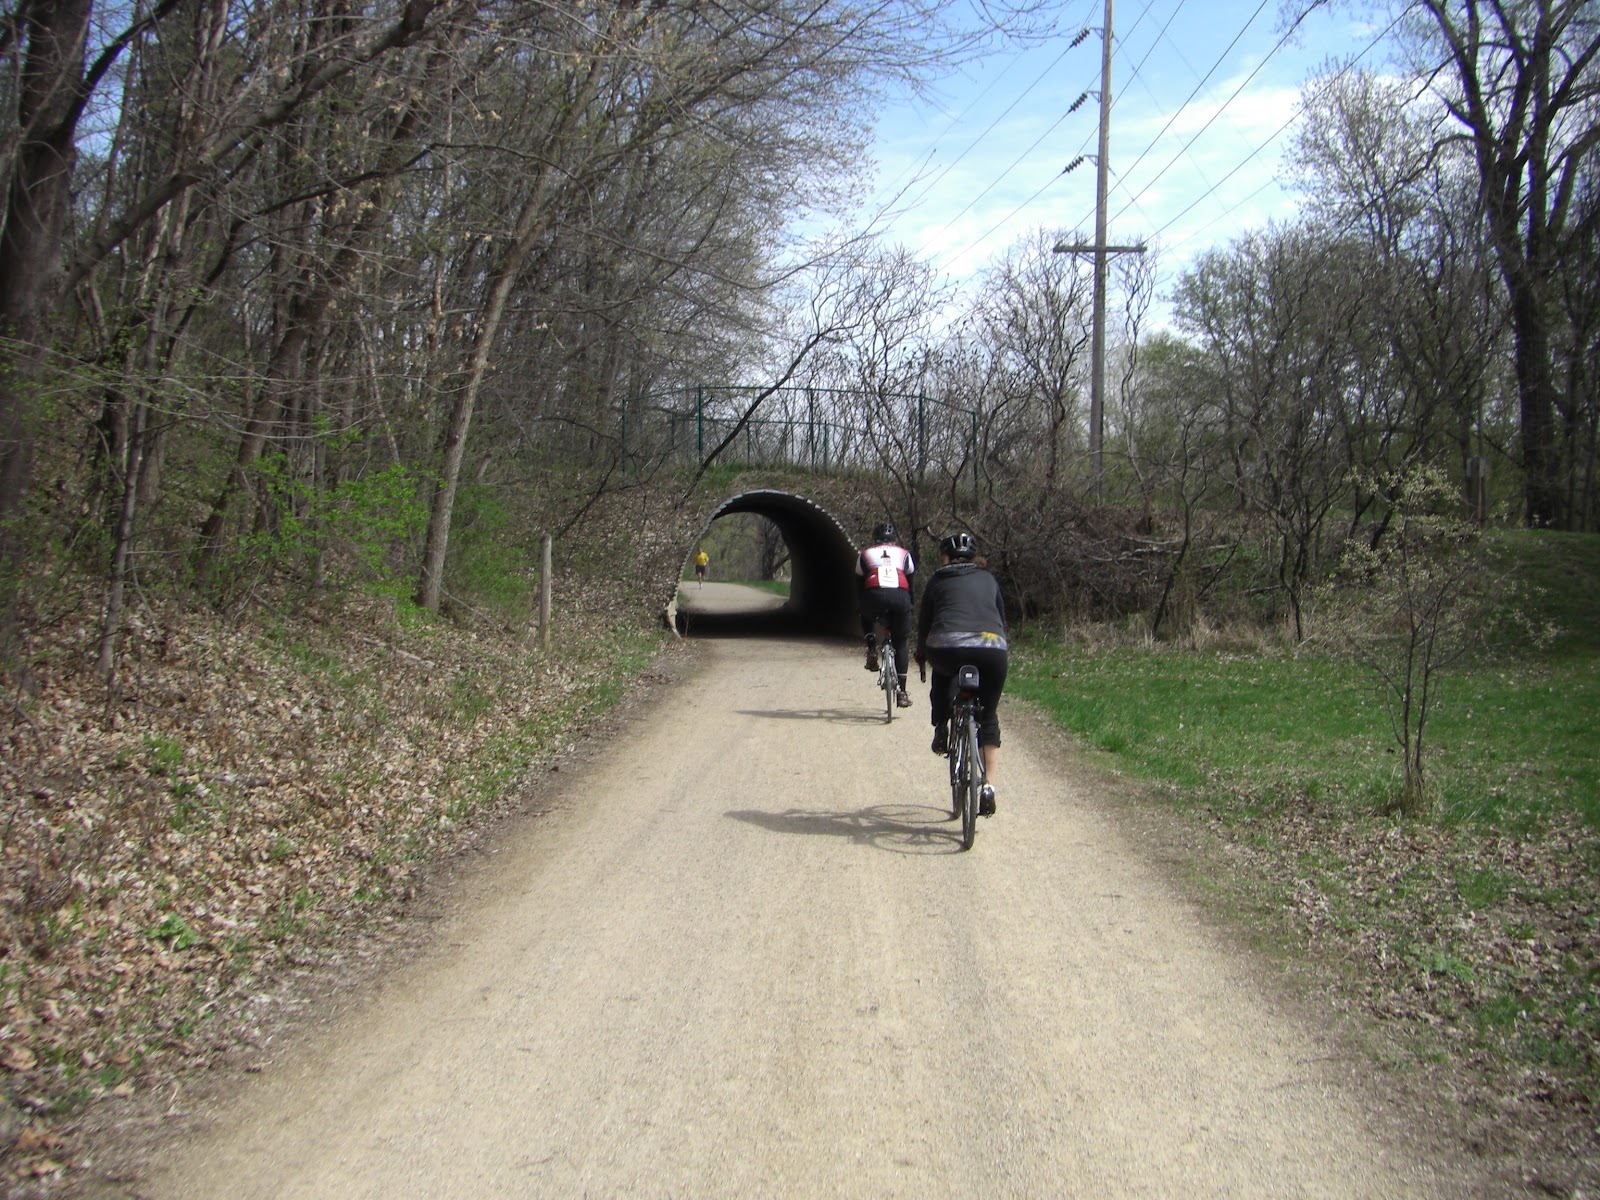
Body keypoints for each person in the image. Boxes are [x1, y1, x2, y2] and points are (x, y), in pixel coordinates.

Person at [915, 531, 1007, 816]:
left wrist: (920, 654)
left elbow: (925, 623)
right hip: (991, 648)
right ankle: (988, 786)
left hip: (947, 647)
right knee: (988, 715)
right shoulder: (989, 579)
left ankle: (942, 727)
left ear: (944, 557)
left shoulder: (938, 580)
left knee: (942, 675)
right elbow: (1002, 619)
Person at [856, 521, 914, 708]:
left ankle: (872, 647)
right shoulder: (904, 554)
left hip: (873, 594)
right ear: (894, 540)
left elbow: (858, 583)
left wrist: (861, 604)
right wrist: (909, 603)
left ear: (875, 540)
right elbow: (910, 581)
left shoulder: (865, 554)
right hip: (900, 596)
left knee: (865, 614)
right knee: (901, 643)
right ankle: (902, 692)